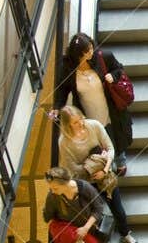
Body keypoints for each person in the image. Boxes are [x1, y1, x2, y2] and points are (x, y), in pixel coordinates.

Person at [58, 107, 139, 243]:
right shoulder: (64, 142)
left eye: (81, 118)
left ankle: (125, 234)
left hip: (105, 176)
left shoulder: (94, 125)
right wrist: (92, 166)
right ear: (68, 125)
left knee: (118, 209)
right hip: (87, 183)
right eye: (75, 122)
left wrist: (104, 169)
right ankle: (103, 242)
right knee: (95, 214)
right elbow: (71, 167)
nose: (81, 123)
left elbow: (110, 148)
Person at [55, 32, 133, 172]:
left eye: (91, 48)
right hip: (88, 111)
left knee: (114, 132)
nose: (91, 52)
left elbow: (119, 68)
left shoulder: (103, 57)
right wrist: (57, 108)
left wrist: (112, 77)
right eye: (87, 51)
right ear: (78, 54)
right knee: (97, 139)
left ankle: (120, 160)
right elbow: (63, 90)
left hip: (109, 106)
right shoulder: (68, 69)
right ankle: (107, 167)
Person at [43, 167, 117, 243]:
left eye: (55, 188)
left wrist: (86, 228)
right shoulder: (53, 197)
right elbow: (48, 217)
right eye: (51, 188)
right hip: (75, 240)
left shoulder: (84, 188)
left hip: (91, 235)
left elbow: (98, 208)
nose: (52, 191)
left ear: (65, 183)